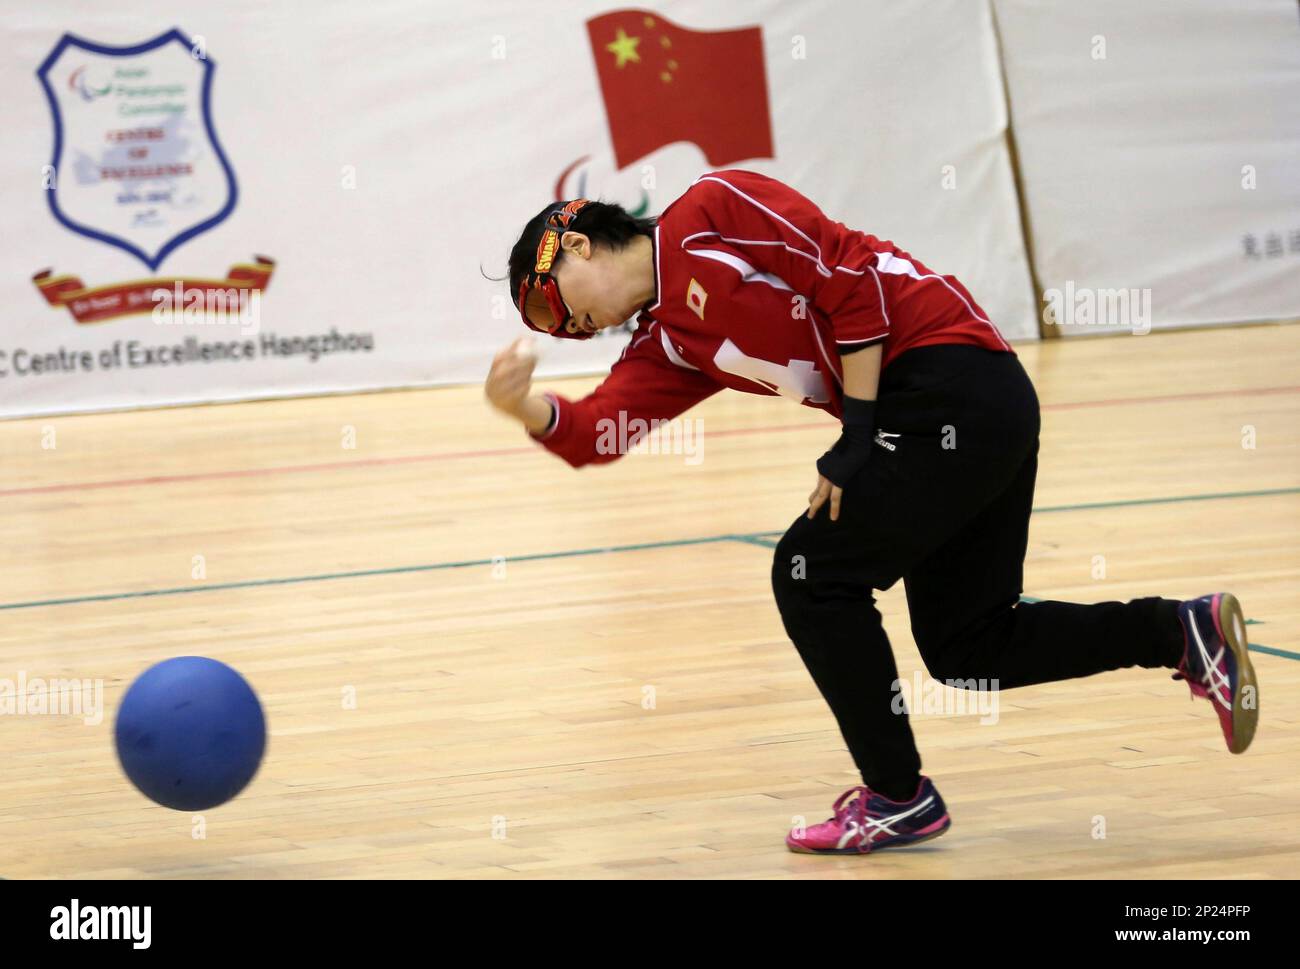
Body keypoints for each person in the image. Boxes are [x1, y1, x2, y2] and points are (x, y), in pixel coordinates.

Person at [484, 169, 1259, 855]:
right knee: (968, 643)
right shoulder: (674, 341)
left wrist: (858, 436)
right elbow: (599, 432)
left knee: (808, 573)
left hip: (951, 380)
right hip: (954, 412)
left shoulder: (712, 209)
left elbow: (849, 278)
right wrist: (521, 406)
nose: (571, 330)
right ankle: (1180, 631)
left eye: (553, 307)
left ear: (577, 244)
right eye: (553, 332)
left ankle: (897, 797)